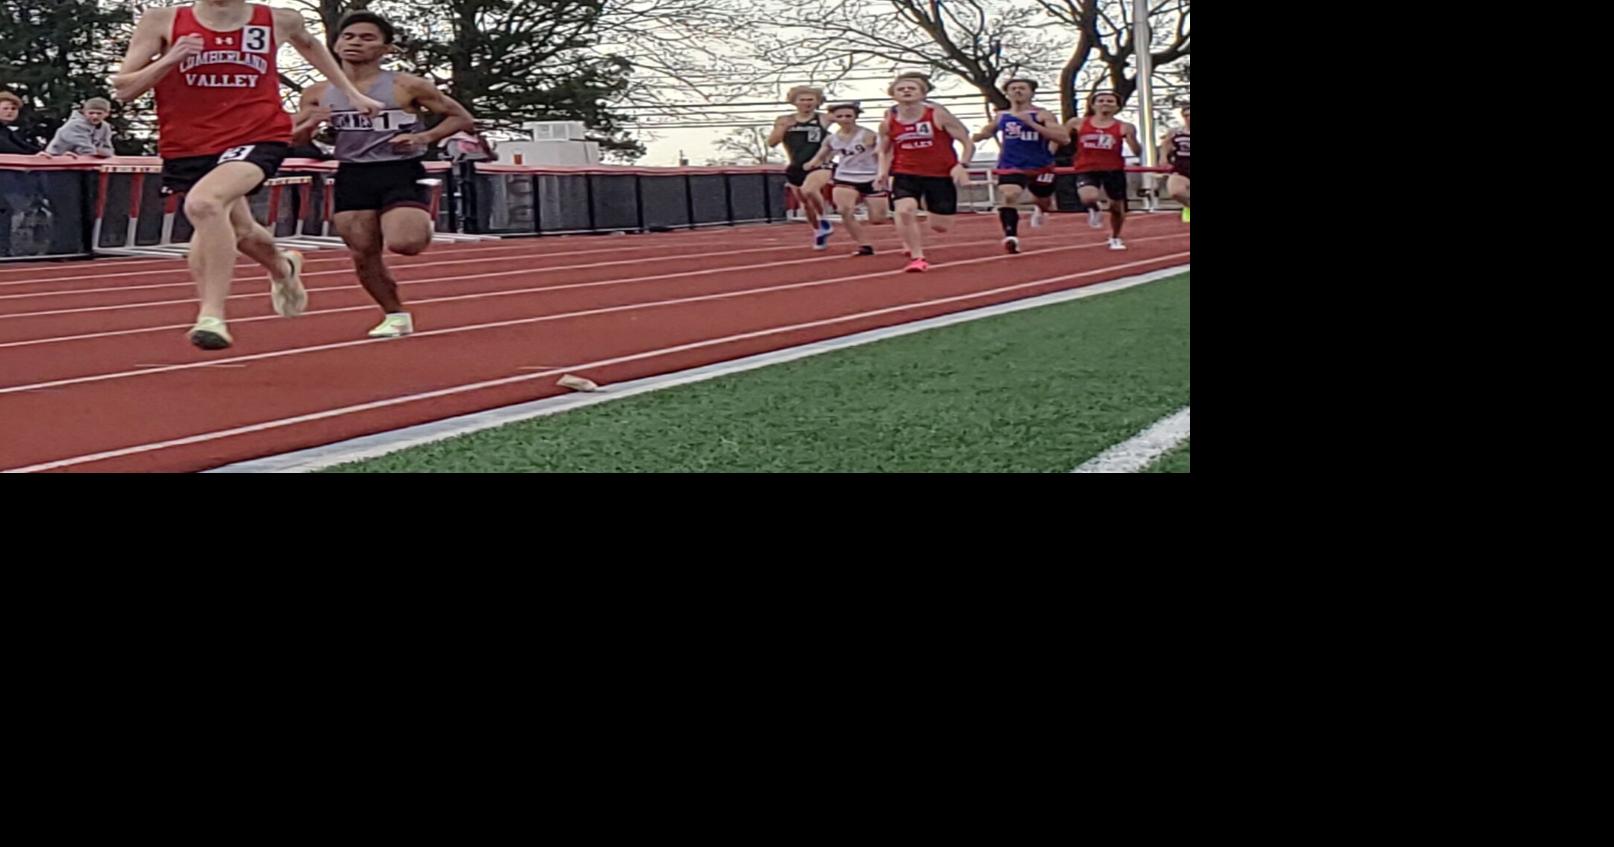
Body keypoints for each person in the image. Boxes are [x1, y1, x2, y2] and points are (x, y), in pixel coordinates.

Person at [112, 0, 384, 350]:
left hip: (258, 133)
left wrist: (351, 93)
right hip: (189, 142)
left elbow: (311, 45)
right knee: (238, 229)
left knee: (206, 204)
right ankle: (282, 267)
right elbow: (124, 88)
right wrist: (171, 58)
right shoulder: (163, 21)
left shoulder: (278, 19)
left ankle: (211, 315)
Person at [291, 11, 474, 338]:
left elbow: (461, 118)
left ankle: (418, 219)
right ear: (335, 44)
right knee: (363, 253)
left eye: (367, 38)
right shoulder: (319, 91)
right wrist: (310, 124)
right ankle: (395, 314)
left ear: (386, 48)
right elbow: (294, 139)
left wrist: (423, 137)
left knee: (406, 243)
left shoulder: (406, 85)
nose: (356, 43)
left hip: (399, 170)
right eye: (349, 37)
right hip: (352, 173)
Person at [875, 72, 973, 272]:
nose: (906, 91)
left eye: (912, 88)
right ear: (893, 95)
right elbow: (884, 150)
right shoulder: (889, 120)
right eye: (901, 89)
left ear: (923, 93)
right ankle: (917, 257)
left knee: (940, 226)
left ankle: (929, 211)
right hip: (905, 172)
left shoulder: (937, 114)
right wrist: (882, 172)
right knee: (904, 211)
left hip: (939, 174)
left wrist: (962, 165)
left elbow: (966, 141)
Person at [972, 78, 1068, 254]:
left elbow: (1063, 138)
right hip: (1011, 164)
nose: (1017, 91)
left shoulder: (1042, 115)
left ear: (1031, 93)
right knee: (1009, 195)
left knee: (1044, 199)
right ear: (1007, 93)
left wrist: (1031, 124)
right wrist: (979, 136)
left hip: (1040, 165)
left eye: (1022, 88)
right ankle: (1011, 236)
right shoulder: (1002, 116)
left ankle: (1040, 208)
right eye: (1013, 88)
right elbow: (988, 130)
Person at [802, 102, 888, 257]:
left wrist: (882, 173)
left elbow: (881, 154)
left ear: (855, 117)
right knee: (844, 210)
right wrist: (810, 164)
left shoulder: (868, 135)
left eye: (848, 116)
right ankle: (864, 245)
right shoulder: (831, 139)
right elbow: (820, 156)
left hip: (870, 177)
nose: (844, 119)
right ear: (834, 118)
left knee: (878, 219)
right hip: (845, 177)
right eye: (839, 116)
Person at [1062, 89, 1143, 250]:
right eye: (1101, 100)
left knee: (1116, 208)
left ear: (1117, 107)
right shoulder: (1077, 123)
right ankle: (1094, 208)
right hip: (1086, 168)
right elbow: (1061, 139)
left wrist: (1131, 138)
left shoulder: (1124, 126)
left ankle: (1115, 236)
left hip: (1113, 169)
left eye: (1110, 101)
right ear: (1093, 105)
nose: (1105, 103)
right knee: (1088, 196)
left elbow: (1137, 151)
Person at [767, 85, 833, 249]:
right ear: (794, 102)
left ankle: (824, 218)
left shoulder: (823, 118)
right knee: (805, 203)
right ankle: (818, 231)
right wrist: (783, 128)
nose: (806, 103)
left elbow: (847, 120)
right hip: (796, 165)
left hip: (820, 164)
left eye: (810, 99)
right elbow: (772, 143)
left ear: (818, 102)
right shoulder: (784, 119)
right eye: (802, 100)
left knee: (809, 190)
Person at [45, 98, 116, 157]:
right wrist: (99, 153)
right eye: (91, 113)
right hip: (58, 158)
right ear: (84, 112)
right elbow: (83, 148)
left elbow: (107, 148)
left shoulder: (105, 127)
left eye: (99, 113)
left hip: (87, 160)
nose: (95, 116)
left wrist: (106, 153)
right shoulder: (75, 124)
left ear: (107, 114)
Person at [1158, 103, 1189, 221]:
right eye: (1186, 115)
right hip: (1182, 167)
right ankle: (1188, 206)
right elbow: (1165, 144)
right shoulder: (1176, 132)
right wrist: (1163, 157)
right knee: (1175, 192)